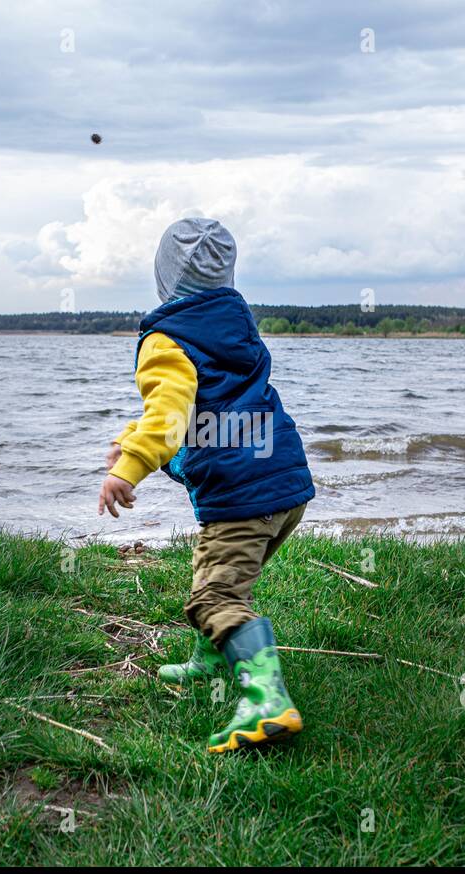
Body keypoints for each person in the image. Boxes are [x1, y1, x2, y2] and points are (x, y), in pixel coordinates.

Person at [98, 217, 315, 752]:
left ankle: (266, 697)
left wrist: (126, 470)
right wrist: (131, 438)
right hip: (283, 486)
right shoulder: (236, 327)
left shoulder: (166, 340)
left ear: (163, 281)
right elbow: (209, 403)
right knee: (218, 577)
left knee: (214, 594)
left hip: (241, 496)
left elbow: (171, 417)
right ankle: (211, 657)